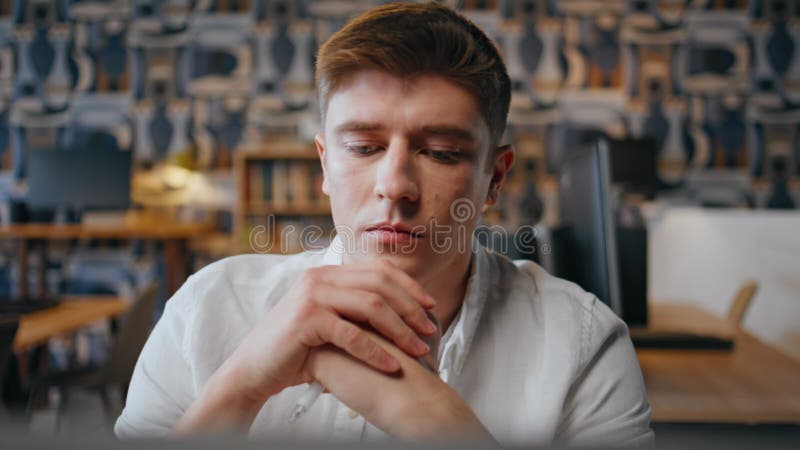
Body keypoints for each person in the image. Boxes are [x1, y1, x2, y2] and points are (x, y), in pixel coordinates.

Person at [115, 2, 653, 446]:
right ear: (325, 164)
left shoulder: (583, 347)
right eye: (364, 147)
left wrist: (427, 416)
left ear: (495, 178)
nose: (395, 184)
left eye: (442, 152)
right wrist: (239, 387)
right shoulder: (204, 312)